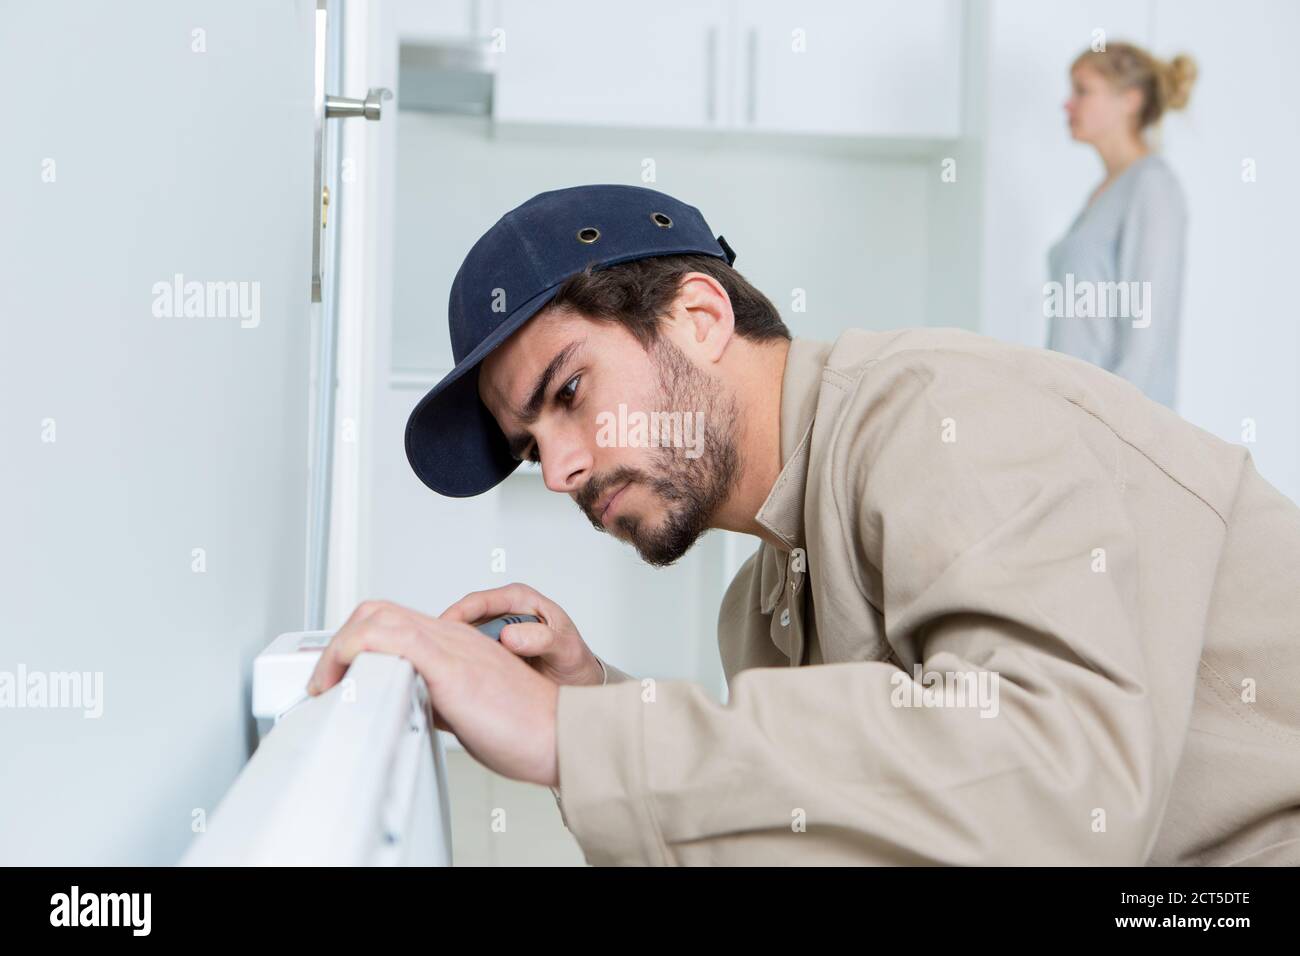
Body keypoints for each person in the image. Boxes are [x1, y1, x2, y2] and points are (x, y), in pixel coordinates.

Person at [308, 184, 1300, 865]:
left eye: (568, 391)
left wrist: (580, 733)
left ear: (699, 316)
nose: (560, 468)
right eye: (530, 446)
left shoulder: (937, 415)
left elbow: (1060, 788)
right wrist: (596, 696)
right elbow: (851, 823)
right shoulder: (763, 603)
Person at [1047, 42, 1197, 408]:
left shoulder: (1152, 186)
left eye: (1082, 91)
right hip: (1075, 420)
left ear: (1130, 100)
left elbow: (1146, 338)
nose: (1067, 104)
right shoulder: (1104, 194)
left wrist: (1113, 434)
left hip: (1115, 433)